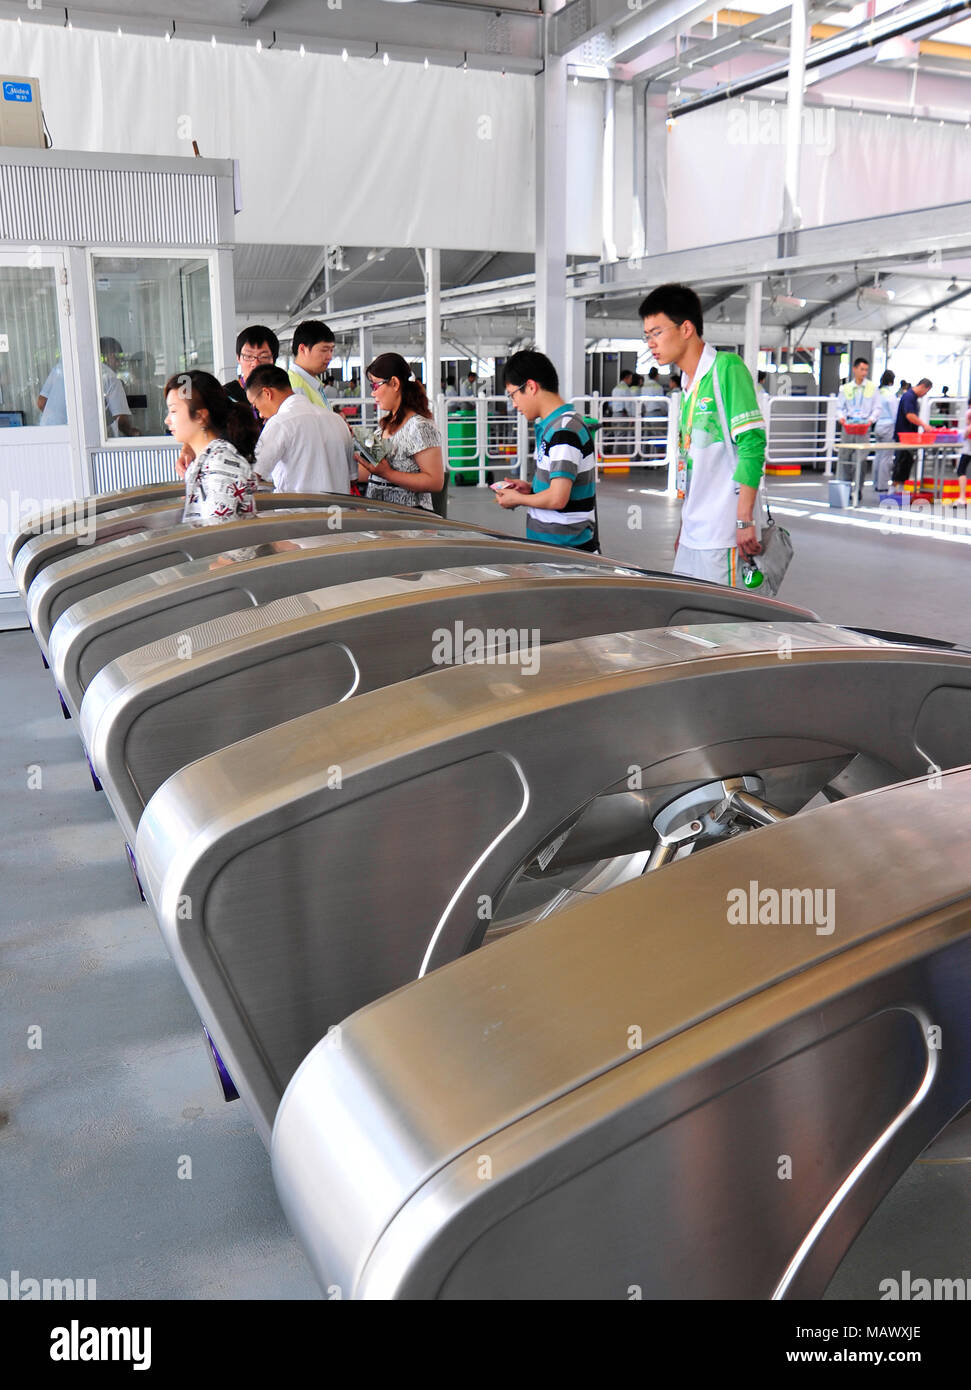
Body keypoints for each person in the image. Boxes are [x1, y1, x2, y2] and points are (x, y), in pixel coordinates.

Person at [640, 282, 763, 587]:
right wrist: (684, 526)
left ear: (686, 329)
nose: (651, 343)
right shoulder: (687, 384)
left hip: (724, 534)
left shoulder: (726, 369)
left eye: (657, 332)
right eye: (647, 336)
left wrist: (744, 519)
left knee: (725, 629)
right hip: (693, 533)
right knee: (690, 626)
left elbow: (752, 444)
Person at [497, 349, 598, 552]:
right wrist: (531, 488)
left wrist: (519, 499)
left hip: (566, 552)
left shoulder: (564, 430)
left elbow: (557, 498)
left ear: (531, 387)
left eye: (513, 395)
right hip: (555, 546)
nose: (515, 404)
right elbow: (557, 487)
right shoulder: (554, 427)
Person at [164, 370, 258, 525]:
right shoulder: (207, 459)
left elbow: (217, 538)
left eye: (173, 411)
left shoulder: (220, 466)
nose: (167, 420)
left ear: (200, 416)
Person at [245, 364, 354, 494]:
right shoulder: (337, 420)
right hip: (339, 513)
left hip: (295, 513)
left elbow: (252, 477)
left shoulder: (279, 423)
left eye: (255, 406)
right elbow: (352, 478)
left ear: (267, 393)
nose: (261, 414)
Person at [357, 352, 444, 510]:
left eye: (375, 385)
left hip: (409, 523)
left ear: (395, 383)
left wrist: (388, 473)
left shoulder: (420, 426)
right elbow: (366, 473)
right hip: (380, 519)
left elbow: (435, 482)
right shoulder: (385, 425)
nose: (373, 392)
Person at [891, 377, 933, 487]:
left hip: (909, 437)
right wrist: (924, 425)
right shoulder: (909, 397)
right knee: (901, 464)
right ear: (923, 387)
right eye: (926, 391)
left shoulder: (912, 397)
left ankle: (900, 490)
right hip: (904, 436)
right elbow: (909, 415)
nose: (925, 394)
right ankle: (894, 491)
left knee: (906, 464)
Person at [287, 321, 336, 410]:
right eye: (324, 350)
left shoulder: (313, 382)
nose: (330, 357)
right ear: (302, 349)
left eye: (331, 350)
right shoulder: (295, 388)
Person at [226, 326, 279, 407]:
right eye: (248, 356)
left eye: (263, 356)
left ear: (274, 360)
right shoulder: (226, 395)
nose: (255, 364)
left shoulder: (279, 393)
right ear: (238, 358)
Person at [871, 370, 897, 495]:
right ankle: (882, 485)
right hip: (888, 427)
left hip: (878, 426)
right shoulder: (890, 395)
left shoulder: (877, 393)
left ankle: (875, 483)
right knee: (886, 457)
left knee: (878, 456)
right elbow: (895, 414)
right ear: (891, 381)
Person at [956, 394, 971, 507]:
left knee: (961, 469)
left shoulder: (969, 412)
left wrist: (964, 436)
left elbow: (969, 428)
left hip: (969, 446)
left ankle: (962, 497)